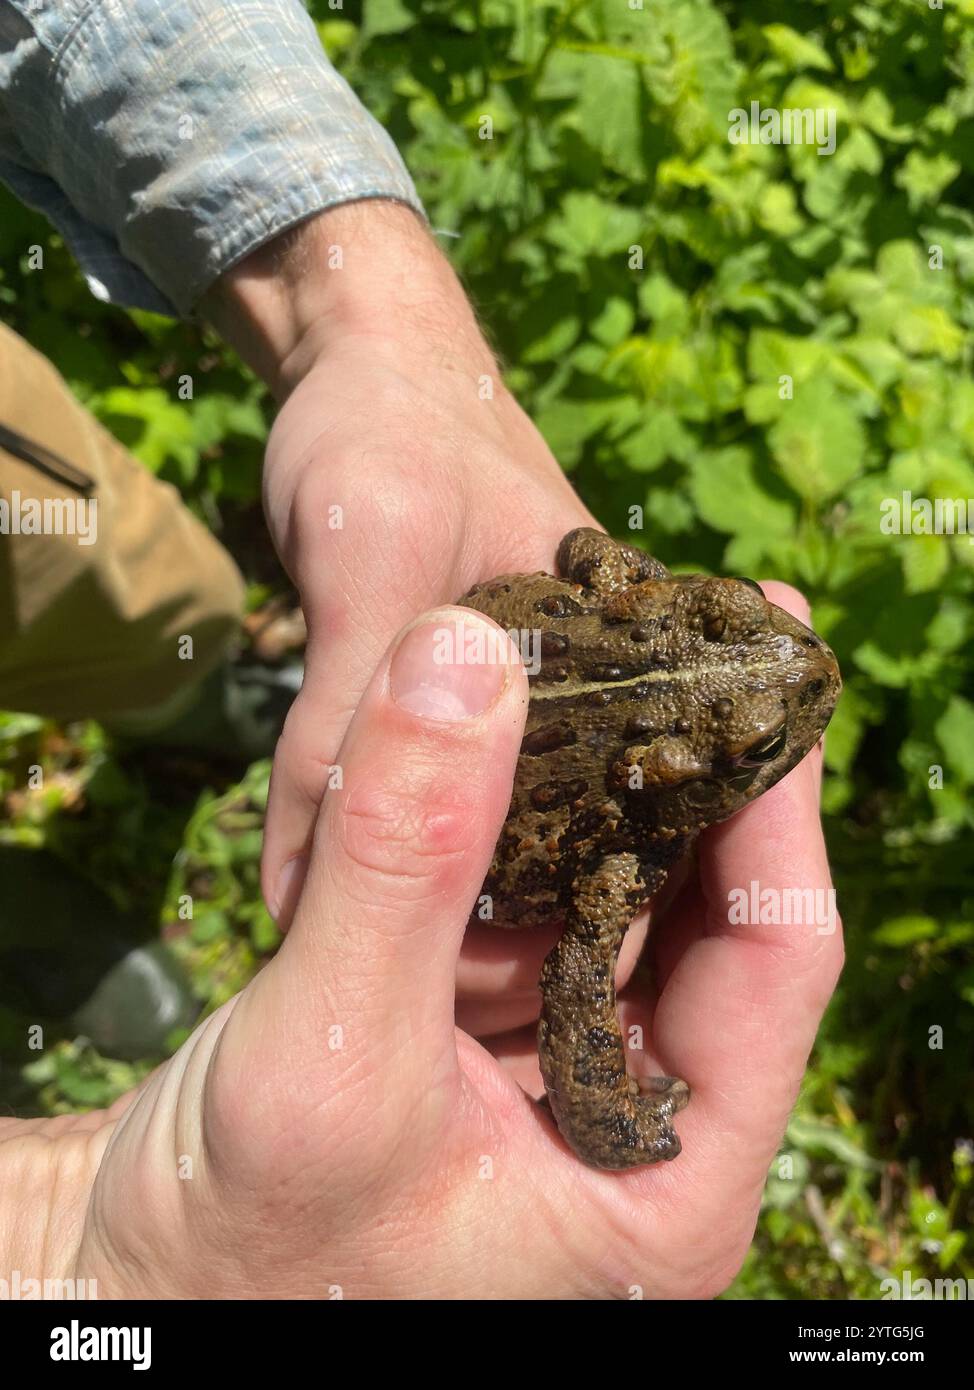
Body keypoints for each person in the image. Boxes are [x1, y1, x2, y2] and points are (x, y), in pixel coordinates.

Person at [0, 1, 843, 1297]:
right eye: (749, 741)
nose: (787, 664)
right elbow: (575, 984)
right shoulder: (625, 839)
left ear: (689, 603)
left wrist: (369, 313)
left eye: (726, 616)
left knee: (129, 588)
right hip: (495, 775)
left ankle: (201, 696)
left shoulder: (632, 603)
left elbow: (582, 562)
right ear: (680, 777)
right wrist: (81, 1244)